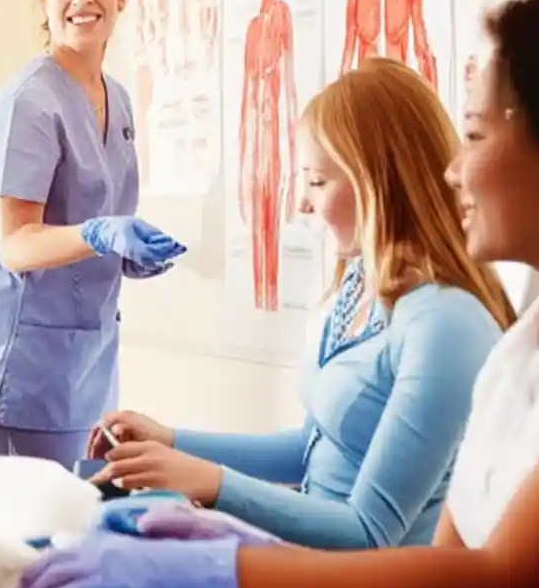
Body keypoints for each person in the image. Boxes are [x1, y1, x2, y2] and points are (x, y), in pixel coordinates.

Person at [23, 0, 539, 588]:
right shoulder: (532, 340)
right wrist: (221, 524)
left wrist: (229, 562)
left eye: (474, 134)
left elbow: (504, 579)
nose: (453, 171)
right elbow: (453, 562)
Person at [86, 57, 515, 549]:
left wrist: (207, 481)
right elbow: (312, 448)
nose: (303, 205)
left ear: (377, 180)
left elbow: (369, 533)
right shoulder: (359, 283)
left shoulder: (446, 326)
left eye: (316, 181)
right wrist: (170, 442)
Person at [0, 0, 187, 471]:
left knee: (77, 534)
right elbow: (14, 245)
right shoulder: (29, 103)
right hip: (24, 375)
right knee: (25, 549)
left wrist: (129, 254)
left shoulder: (120, 101)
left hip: (90, 370)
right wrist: (102, 233)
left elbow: (94, 228)